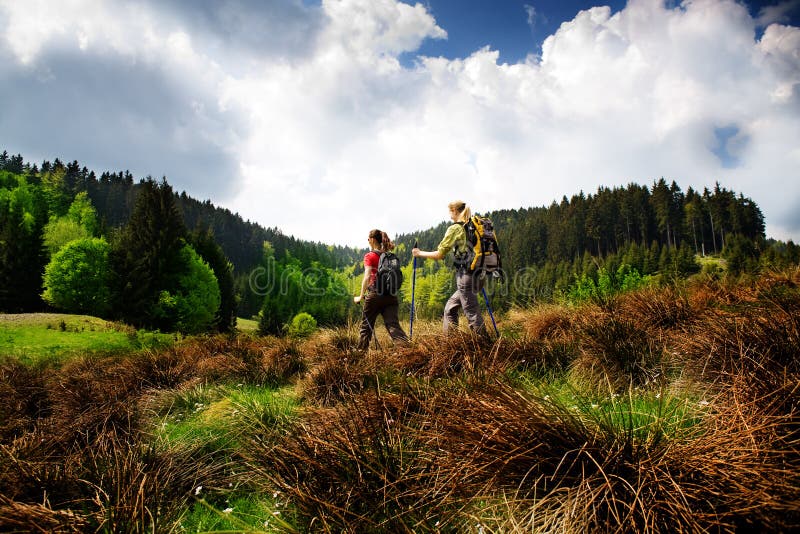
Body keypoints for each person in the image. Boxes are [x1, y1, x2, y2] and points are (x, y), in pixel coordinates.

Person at [412, 200, 486, 334]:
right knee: (450, 308)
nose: (449, 215)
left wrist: (419, 253)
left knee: (471, 312)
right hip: (480, 274)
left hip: (466, 275)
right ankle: (451, 343)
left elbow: (440, 254)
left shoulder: (455, 228)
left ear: (455, 211)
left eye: (450, 211)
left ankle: (485, 346)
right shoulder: (474, 226)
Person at [354, 229, 409, 350]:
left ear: (372, 240)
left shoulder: (370, 255)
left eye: (368, 239)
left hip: (375, 294)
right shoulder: (389, 256)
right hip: (391, 295)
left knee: (366, 328)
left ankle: (358, 357)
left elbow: (367, 276)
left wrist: (360, 295)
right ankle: (407, 352)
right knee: (393, 326)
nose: (367, 241)